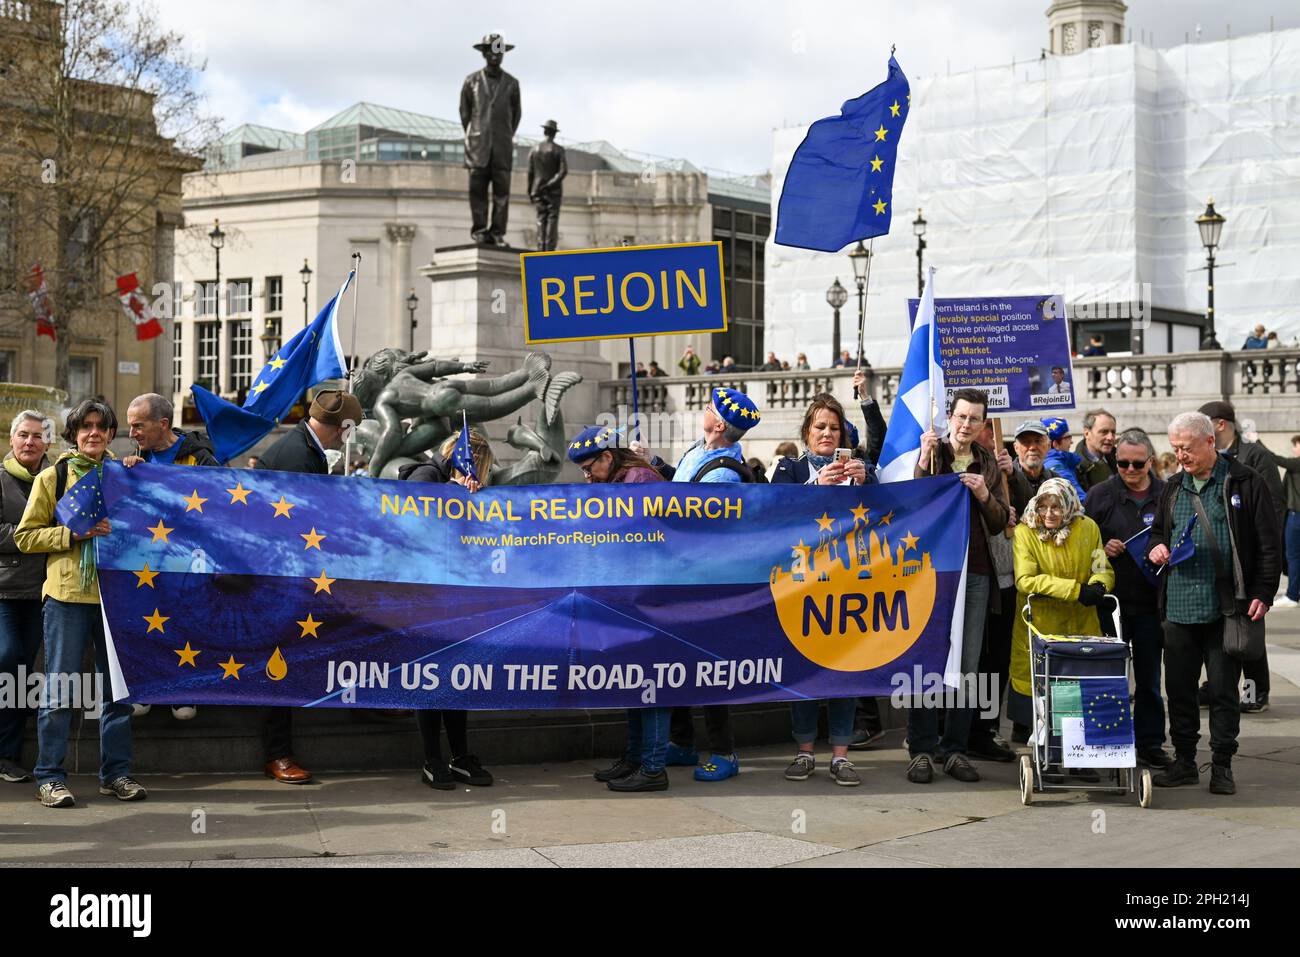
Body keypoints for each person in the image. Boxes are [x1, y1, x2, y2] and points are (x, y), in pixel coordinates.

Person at [15, 398, 144, 808]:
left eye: (101, 427)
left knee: (118, 692)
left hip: (116, 596)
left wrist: (144, 478)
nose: (93, 433)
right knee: (58, 691)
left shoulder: (125, 474)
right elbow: (25, 536)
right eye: (85, 426)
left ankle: (116, 774)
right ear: (74, 434)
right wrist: (72, 534)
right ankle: (49, 777)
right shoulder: (53, 476)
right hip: (67, 595)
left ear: (110, 434)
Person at [1147, 412, 1279, 795]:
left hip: (1227, 608)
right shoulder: (1172, 487)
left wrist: (1263, 592)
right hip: (1179, 608)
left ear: (1210, 441)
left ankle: (1222, 765)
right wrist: (1157, 547)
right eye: (1174, 448)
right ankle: (1185, 761)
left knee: (1223, 692)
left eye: (1186, 447)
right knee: (1181, 691)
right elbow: (1159, 531)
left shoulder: (1244, 482)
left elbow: (1268, 543)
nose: (1180, 455)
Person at [254, 389, 364, 784]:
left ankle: (369, 704)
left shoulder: (303, 447)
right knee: (278, 662)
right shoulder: (299, 456)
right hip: (279, 578)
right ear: (344, 427)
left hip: (288, 574)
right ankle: (277, 753)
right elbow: (302, 526)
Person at [907, 388, 1010, 784]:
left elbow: (1001, 520)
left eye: (975, 419)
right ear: (950, 417)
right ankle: (921, 749)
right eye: (961, 417)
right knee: (928, 657)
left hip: (978, 572)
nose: (967, 425)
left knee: (968, 664)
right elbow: (916, 505)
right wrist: (921, 460)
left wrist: (984, 493)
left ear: (984, 424)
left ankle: (954, 749)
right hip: (935, 573)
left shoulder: (988, 463)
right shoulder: (934, 453)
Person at [770, 394, 872, 786]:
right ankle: (805, 751)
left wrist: (868, 484)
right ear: (807, 432)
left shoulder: (860, 468)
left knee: (845, 668)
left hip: (850, 584)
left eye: (834, 427)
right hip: (803, 585)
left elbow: (890, 513)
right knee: (806, 666)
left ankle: (841, 756)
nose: (828, 434)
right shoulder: (789, 468)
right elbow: (776, 509)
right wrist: (816, 483)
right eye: (820, 427)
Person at [567, 426, 672, 792]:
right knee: (635, 681)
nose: (586, 475)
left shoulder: (639, 479)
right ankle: (634, 757)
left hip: (649, 597)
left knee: (651, 684)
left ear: (608, 458)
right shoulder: (621, 479)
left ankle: (654, 766)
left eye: (589, 467)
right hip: (629, 595)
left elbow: (649, 535)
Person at [666, 386, 763, 782]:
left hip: (703, 579)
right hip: (680, 572)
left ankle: (724, 751)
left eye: (708, 408)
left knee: (706, 664)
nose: (703, 410)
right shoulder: (697, 451)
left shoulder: (723, 472)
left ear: (719, 424)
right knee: (675, 657)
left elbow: (701, 524)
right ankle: (683, 742)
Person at [397, 430, 496, 791]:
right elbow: (418, 531)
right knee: (432, 677)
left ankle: (459, 756)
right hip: (426, 597)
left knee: (457, 676)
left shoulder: (458, 483)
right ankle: (432, 759)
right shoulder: (427, 477)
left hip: (454, 595)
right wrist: (454, 499)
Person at [1009, 477, 1114, 782]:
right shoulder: (1026, 532)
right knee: (1045, 695)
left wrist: (1098, 586)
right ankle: (1048, 760)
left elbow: (1102, 568)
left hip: (1082, 624)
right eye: (1044, 506)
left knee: (1078, 693)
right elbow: (1025, 580)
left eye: (1057, 506)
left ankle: (1079, 759)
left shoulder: (1088, 528)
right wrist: (1075, 590)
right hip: (1042, 627)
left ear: (1069, 506)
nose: (1051, 513)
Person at [122, 392, 219, 722]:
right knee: (147, 624)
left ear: (163, 424)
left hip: (189, 563)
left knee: (186, 626)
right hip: (147, 565)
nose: (132, 433)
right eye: (130, 427)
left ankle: (184, 692)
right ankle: (146, 689)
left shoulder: (202, 458)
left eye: (138, 426)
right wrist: (129, 476)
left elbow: (223, 507)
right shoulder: (139, 459)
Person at [1082, 429, 1170, 767]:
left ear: (1150, 461)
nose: (1130, 470)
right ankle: (1107, 741)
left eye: (1137, 464)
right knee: (1107, 676)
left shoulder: (1167, 493)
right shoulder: (1099, 495)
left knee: (1149, 678)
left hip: (1151, 602)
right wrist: (1101, 550)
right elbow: (1082, 547)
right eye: (1122, 464)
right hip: (1110, 604)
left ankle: (1150, 742)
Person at [1198, 400, 1283, 713]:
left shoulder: (1254, 455)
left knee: (1249, 632)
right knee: (1219, 632)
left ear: (1220, 425)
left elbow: (1273, 507)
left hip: (1248, 560)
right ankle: (1216, 685)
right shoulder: (1211, 458)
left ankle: (1254, 690)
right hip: (1220, 562)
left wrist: (1267, 570)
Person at [0, 411, 54, 784]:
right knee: (6, 658)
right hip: (3, 589)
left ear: (48, 443)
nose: (29, 442)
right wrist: (36, 533)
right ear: (11, 440)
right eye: (23, 435)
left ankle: (8, 755)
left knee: (21, 672)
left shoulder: (57, 478)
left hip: (41, 589)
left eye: (37, 436)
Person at [459, 33, 521, 246]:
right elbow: (465, 114)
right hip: (478, 146)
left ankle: (497, 232)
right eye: (492, 50)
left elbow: (516, 116)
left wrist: (503, 134)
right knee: (477, 192)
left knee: (502, 194)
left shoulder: (512, 84)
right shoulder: (471, 81)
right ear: (484, 53)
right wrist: (478, 133)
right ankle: (479, 230)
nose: (496, 55)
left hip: (502, 147)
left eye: (499, 50)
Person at [1263, 434, 1300, 610]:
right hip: (1294, 515)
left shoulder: (1297, 463)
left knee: (1292, 556)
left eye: (1296, 446)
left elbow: (1276, 459)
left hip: (1296, 516)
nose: (1294, 450)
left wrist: (1256, 441)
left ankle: (1292, 595)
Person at [1006, 420, 1061, 517]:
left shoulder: (1056, 480)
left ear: (1048, 446)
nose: (1032, 447)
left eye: (1038, 441)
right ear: (1016, 448)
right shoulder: (1004, 477)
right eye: (1026, 442)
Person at [527, 119, 566, 251]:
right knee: (552, 219)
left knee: (541, 218)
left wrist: (530, 191)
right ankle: (549, 248)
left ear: (544, 131)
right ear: (554, 133)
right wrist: (550, 184)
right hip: (553, 191)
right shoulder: (559, 150)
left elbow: (530, 173)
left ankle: (540, 246)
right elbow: (563, 172)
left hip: (537, 190)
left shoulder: (534, 150)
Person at [1041, 417, 1086, 501]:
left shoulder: (1061, 463)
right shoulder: (1056, 466)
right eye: (1068, 437)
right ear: (1055, 444)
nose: (1071, 442)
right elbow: (1079, 499)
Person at [1075, 409, 1117, 492]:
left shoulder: (1122, 461)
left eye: (1113, 432)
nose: (1110, 437)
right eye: (1104, 432)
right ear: (1087, 433)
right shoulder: (1074, 467)